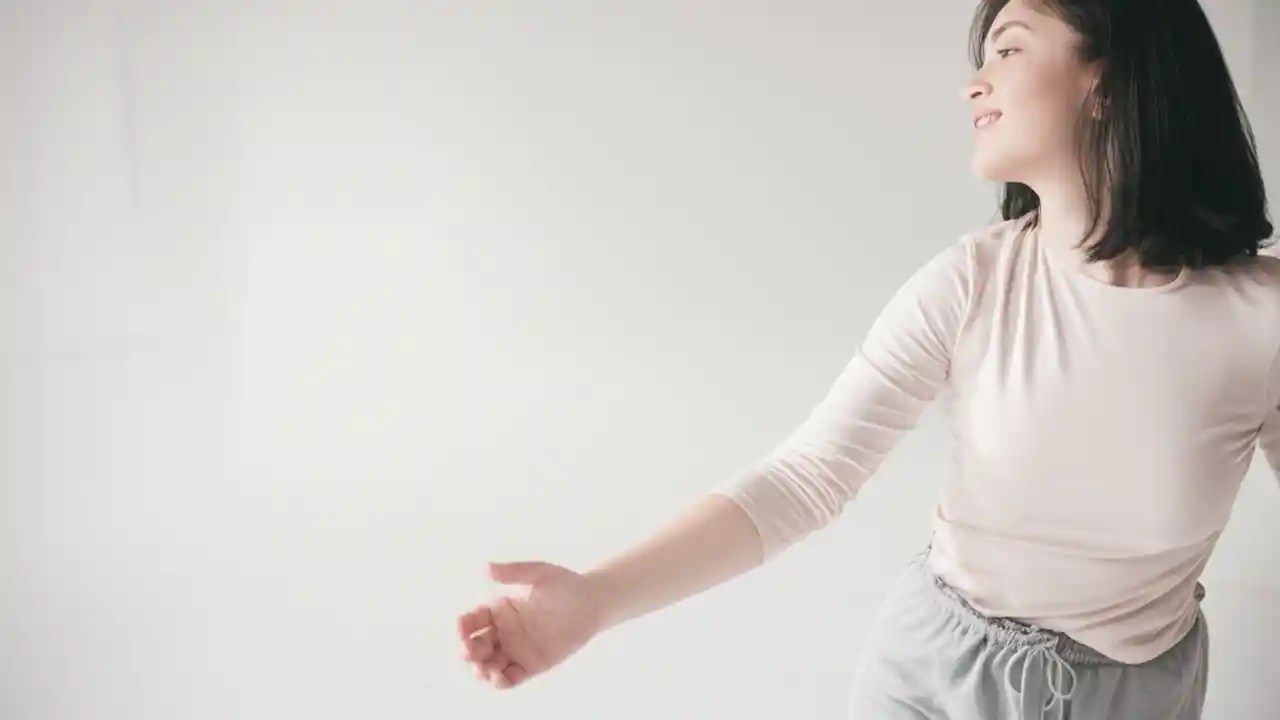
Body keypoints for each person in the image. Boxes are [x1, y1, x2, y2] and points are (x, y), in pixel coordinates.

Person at [455, 0, 1279, 717]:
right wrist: (595, 601)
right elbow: (803, 480)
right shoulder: (971, 282)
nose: (975, 82)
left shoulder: (1262, 318)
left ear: (1107, 79)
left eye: (1010, 47)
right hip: (934, 677)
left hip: (1139, 696)